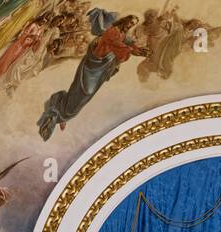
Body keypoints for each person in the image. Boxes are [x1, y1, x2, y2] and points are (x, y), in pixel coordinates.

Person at [38, 12, 143, 140]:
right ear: (125, 20)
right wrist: (132, 50)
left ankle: (64, 115)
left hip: (100, 71)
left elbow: (128, 41)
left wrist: (139, 49)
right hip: (91, 67)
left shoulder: (122, 34)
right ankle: (60, 112)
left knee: (86, 96)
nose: (130, 26)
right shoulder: (112, 31)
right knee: (84, 91)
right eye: (130, 22)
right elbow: (118, 45)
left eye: (133, 24)